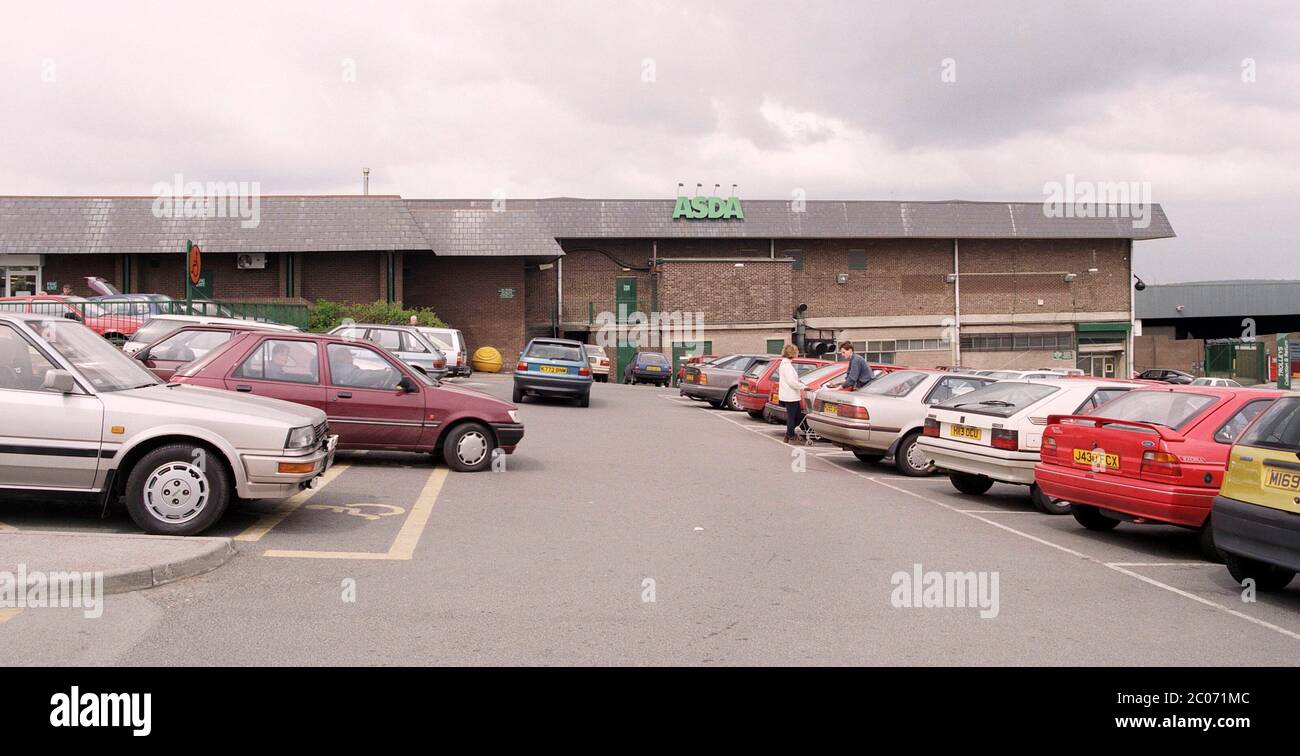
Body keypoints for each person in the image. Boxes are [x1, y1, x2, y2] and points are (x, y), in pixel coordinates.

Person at [777, 344, 808, 444]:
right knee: (795, 417)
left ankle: (788, 434)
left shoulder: (785, 364)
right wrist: (803, 386)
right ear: (792, 353)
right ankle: (791, 435)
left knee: (796, 416)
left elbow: (791, 380)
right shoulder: (787, 366)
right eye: (797, 351)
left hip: (788, 395)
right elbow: (791, 382)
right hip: (790, 396)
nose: (798, 353)